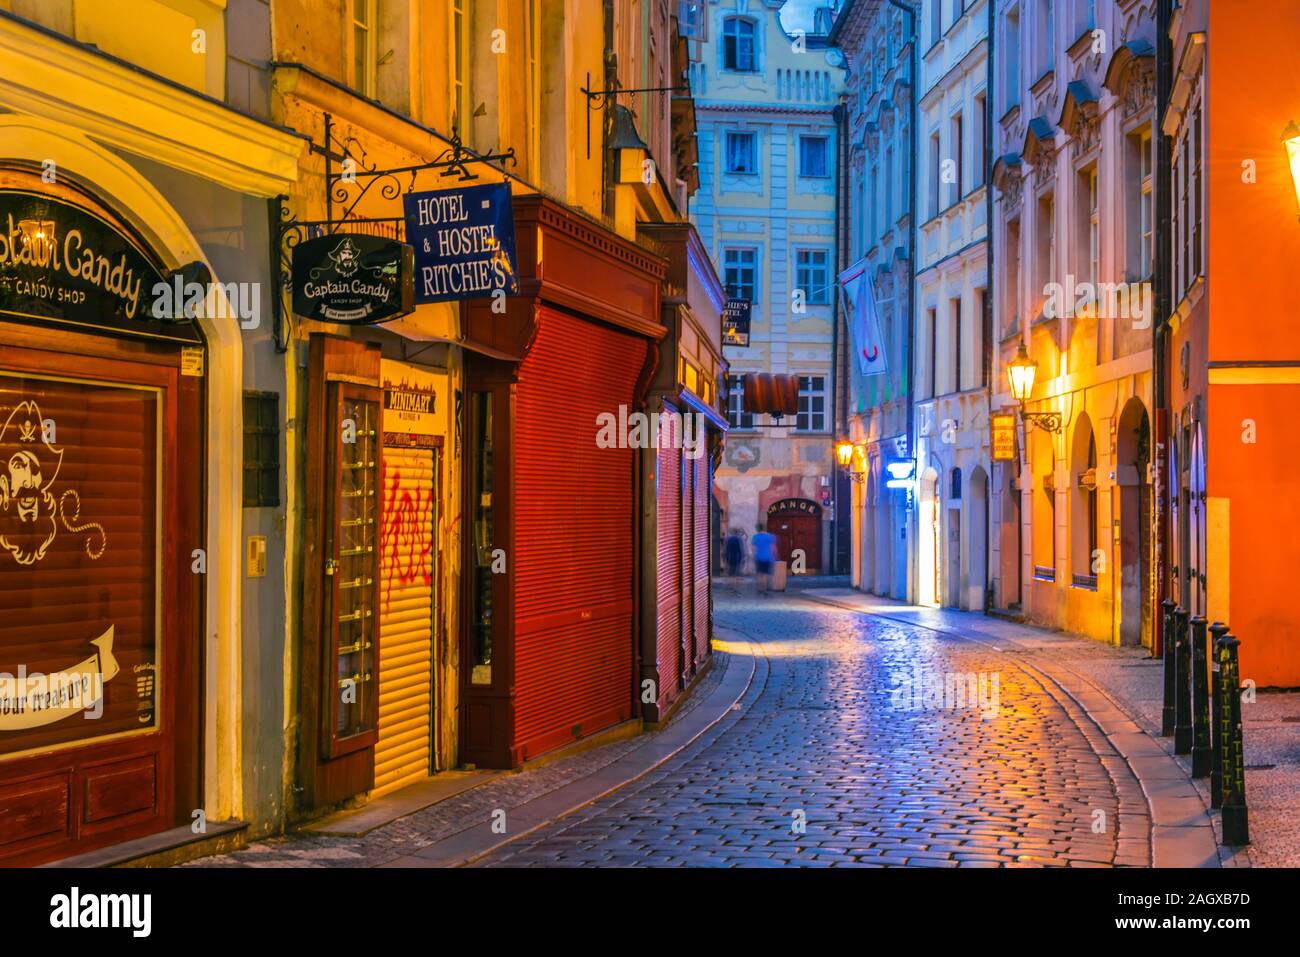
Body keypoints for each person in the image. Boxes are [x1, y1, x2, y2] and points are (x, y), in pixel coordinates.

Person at [751, 522, 777, 595]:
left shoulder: (755, 537)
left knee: (759, 574)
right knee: (765, 574)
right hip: (767, 557)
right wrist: (774, 556)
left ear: (758, 529)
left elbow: (753, 549)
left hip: (758, 557)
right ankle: (764, 589)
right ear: (764, 528)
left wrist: (753, 557)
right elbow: (772, 548)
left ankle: (759, 589)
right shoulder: (770, 536)